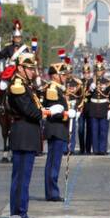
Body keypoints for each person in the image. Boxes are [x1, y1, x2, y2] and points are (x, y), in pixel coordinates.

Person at [6, 48, 41, 218]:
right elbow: (29, 111)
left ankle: (19, 214)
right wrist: (47, 113)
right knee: (21, 179)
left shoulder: (26, 85)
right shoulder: (18, 86)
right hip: (23, 135)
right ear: (20, 68)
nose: (32, 71)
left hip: (26, 135)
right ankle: (18, 215)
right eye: (29, 68)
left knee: (23, 178)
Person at [40, 62, 70, 201]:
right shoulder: (52, 89)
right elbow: (52, 111)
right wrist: (67, 114)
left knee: (54, 162)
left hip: (58, 129)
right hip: (56, 128)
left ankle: (51, 191)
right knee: (54, 162)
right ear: (55, 76)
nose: (65, 76)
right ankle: (52, 193)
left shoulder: (58, 88)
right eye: (62, 74)